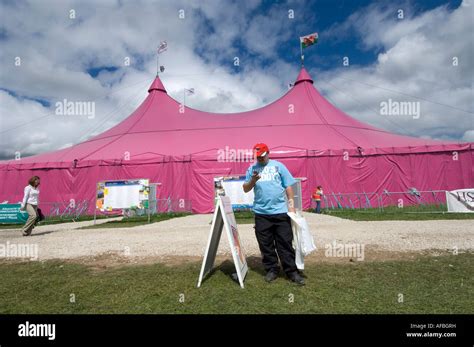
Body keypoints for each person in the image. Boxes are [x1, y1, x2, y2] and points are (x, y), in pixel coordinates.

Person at [243, 143, 305, 285]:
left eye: (262, 156)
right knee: (266, 245)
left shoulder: (278, 166)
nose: (260, 159)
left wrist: (291, 206)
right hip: (261, 214)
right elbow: (246, 188)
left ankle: (292, 271)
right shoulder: (252, 169)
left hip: (281, 213)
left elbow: (288, 185)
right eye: (257, 157)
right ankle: (272, 269)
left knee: (285, 243)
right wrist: (253, 180)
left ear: (268, 153)